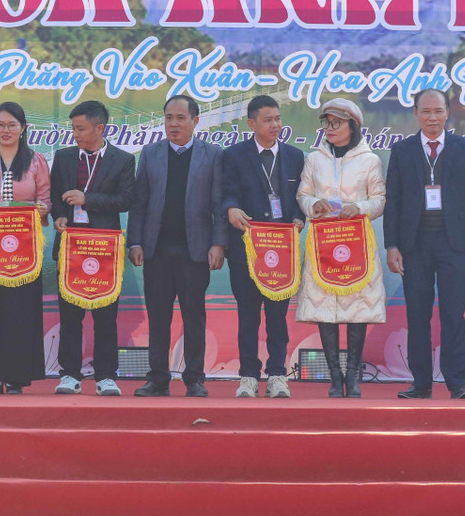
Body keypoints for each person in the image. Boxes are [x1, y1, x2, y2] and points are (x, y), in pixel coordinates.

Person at [384, 88, 465, 400]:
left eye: (438, 111)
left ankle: (458, 382)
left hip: (453, 243)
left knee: (454, 314)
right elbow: (394, 201)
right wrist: (392, 246)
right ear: (415, 113)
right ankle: (421, 383)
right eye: (426, 111)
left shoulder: (464, 148)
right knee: (418, 315)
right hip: (414, 244)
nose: (432, 118)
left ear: (447, 113)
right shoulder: (402, 151)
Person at [127, 94, 227, 397]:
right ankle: (157, 378)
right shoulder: (150, 153)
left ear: (195, 121)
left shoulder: (212, 155)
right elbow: (139, 203)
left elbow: (219, 204)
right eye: (169, 117)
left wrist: (219, 243)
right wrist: (135, 241)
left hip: (195, 251)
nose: (173, 124)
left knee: (194, 316)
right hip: (156, 249)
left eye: (181, 118)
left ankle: (194, 378)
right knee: (158, 318)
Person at [296, 98, 386, 397]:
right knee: (325, 308)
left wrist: (358, 207)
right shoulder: (314, 159)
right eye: (326, 123)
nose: (329, 129)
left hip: (356, 241)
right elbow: (302, 194)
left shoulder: (369, 160)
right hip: (323, 241)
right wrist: (313, 204)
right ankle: (335, 377)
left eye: (336, 123)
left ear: (353, 126)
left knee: (358, 307)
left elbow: (380, 200)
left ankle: (353, 376)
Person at [221, 95, 305, 399]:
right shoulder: (233, 155)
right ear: (252, 123)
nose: (275, 125)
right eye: (268, 120)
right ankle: (248, 376)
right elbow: (226, 192)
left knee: (277, 317)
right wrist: (231, 209)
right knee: (248, 315)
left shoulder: (296, 156)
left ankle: (278, 375)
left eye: (278, 119)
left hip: (281, 251)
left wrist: (299, 218)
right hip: (246, 247)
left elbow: (302, 197)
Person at [52, 100, 136, 397]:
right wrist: (59, 215)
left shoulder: (122, 160)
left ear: (99, 128)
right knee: (70, 317)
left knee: (105, 317)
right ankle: (69, 374)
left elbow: (126, 199)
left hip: (104, 250)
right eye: (73, 128)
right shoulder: (62, 158)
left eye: (80, 128)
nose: (75, 133)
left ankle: (106, 375)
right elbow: (55, 197)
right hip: (71, 248)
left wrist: (88, 199)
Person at [0, 102, 51, 393]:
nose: (6, 130)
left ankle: (17, 375)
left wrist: (41, 208)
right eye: (0, 125)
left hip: (25, 248)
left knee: (21, 310)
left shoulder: (37, 161)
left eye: (12, 125)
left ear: (23, 128)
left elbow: (45, 200)